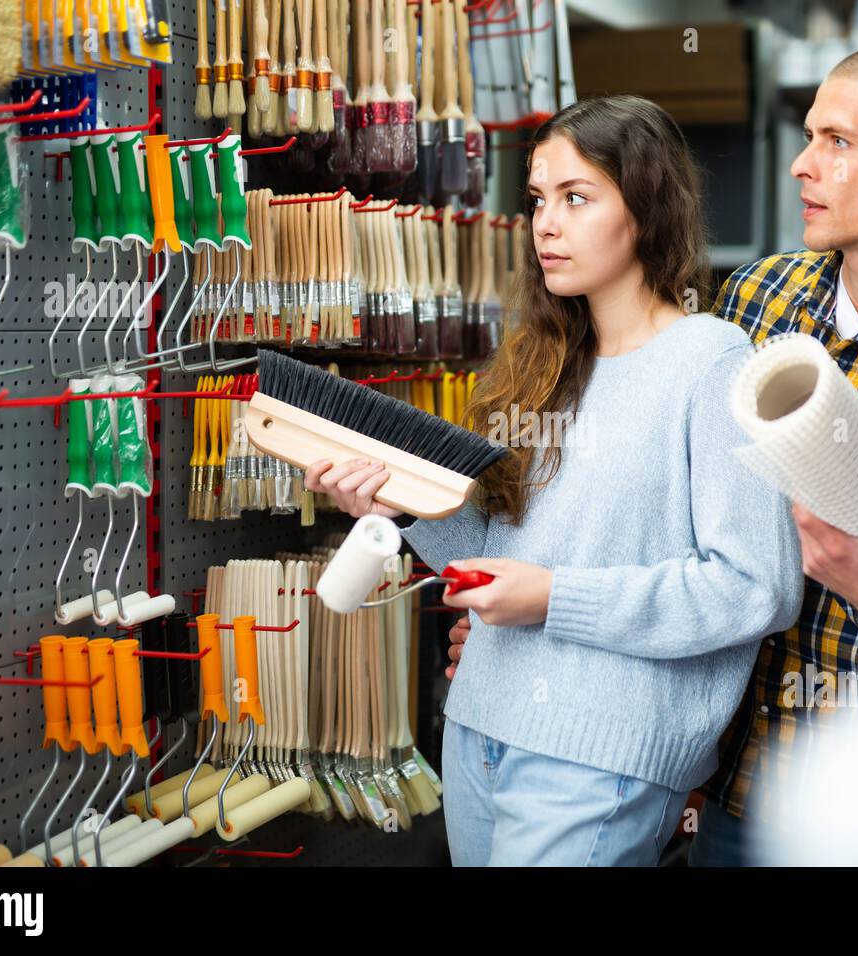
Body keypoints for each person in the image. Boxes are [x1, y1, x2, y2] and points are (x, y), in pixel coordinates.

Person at [449, 44, 858, 865]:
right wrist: (530, 611)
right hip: (735, 783)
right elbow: (668, 510)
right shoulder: (760, 301)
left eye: (837, 142)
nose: (801, 165)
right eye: (808, 137)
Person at [305, 94, 803, 867]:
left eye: (577, 198)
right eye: (538, 199)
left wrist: (553, 597)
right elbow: (496, 554)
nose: (546, 223)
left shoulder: (713, 364)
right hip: (478, 729)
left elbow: (754, 588)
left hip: (600, 757)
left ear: (645, 208)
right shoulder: (541, 364)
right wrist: (400, 508)